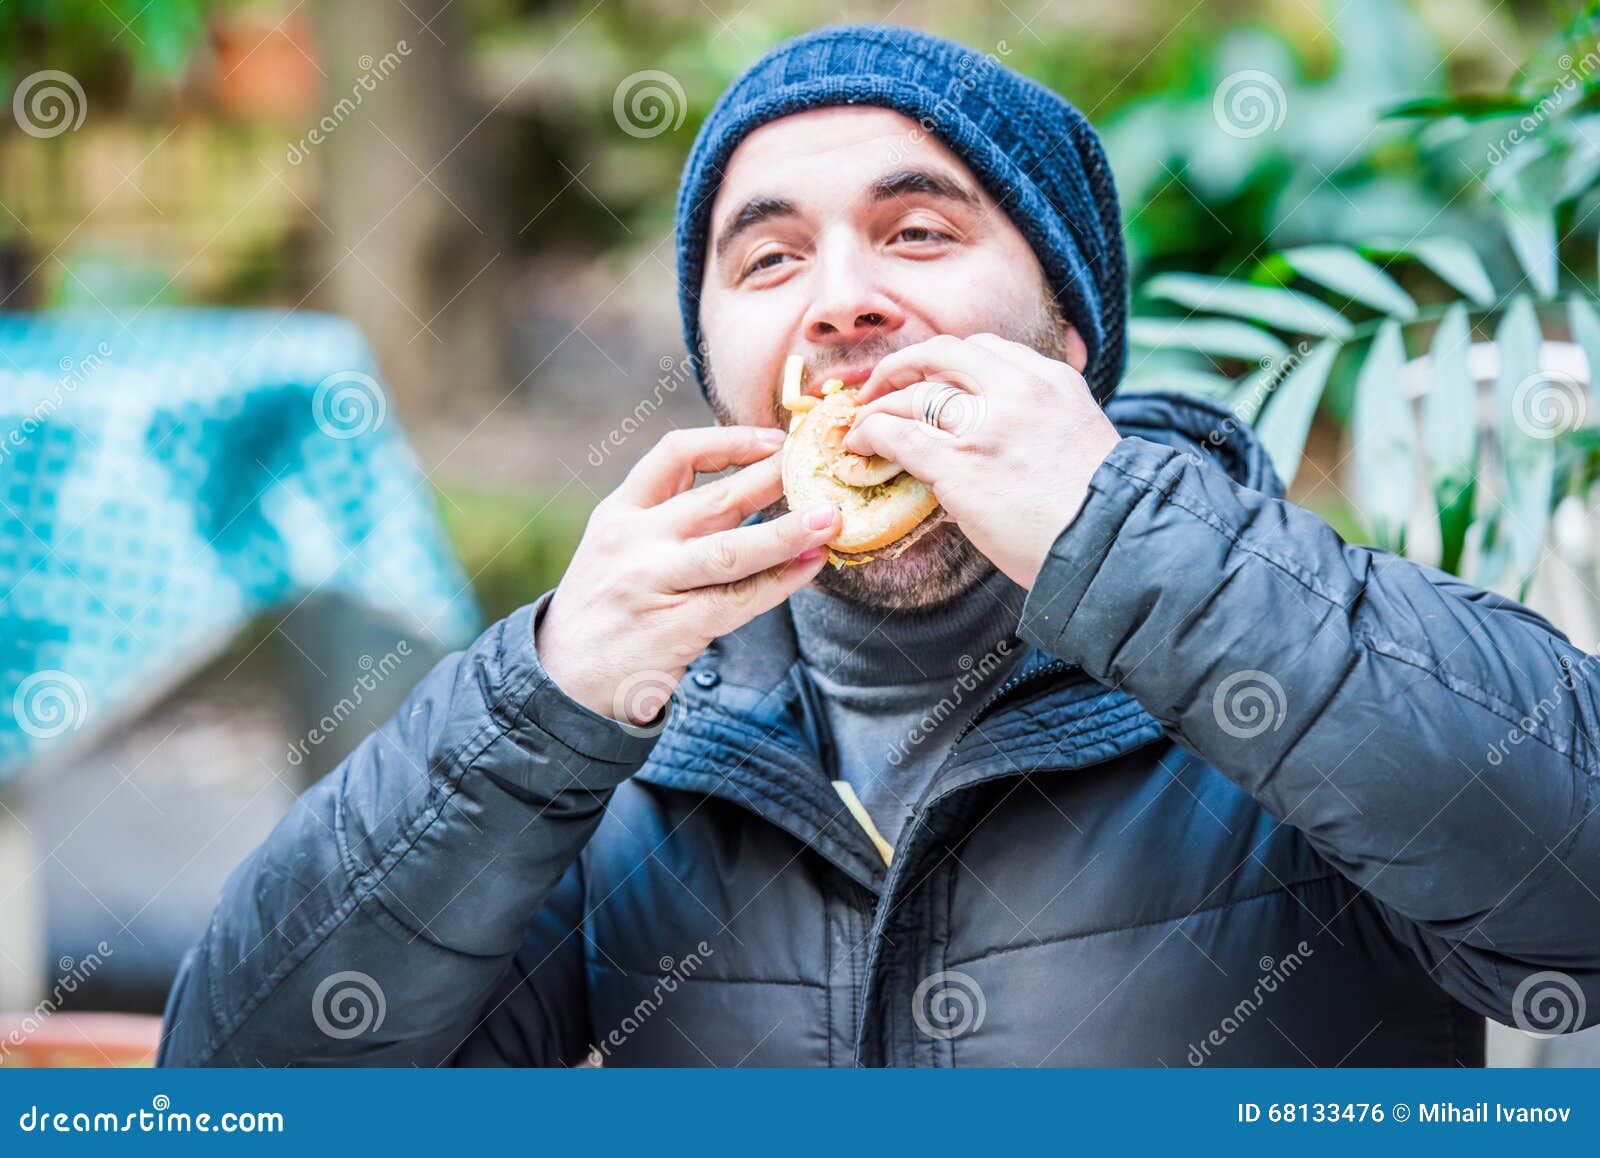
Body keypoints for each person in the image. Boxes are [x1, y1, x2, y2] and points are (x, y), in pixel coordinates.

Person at [159, 24, 1600, 1067]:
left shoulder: (1288, 639)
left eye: (918, 233)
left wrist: (1128, 542)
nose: (840, 302)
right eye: (770, 258)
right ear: (725, 365)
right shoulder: (620, 737)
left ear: (1066, 336)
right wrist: (536, 702)